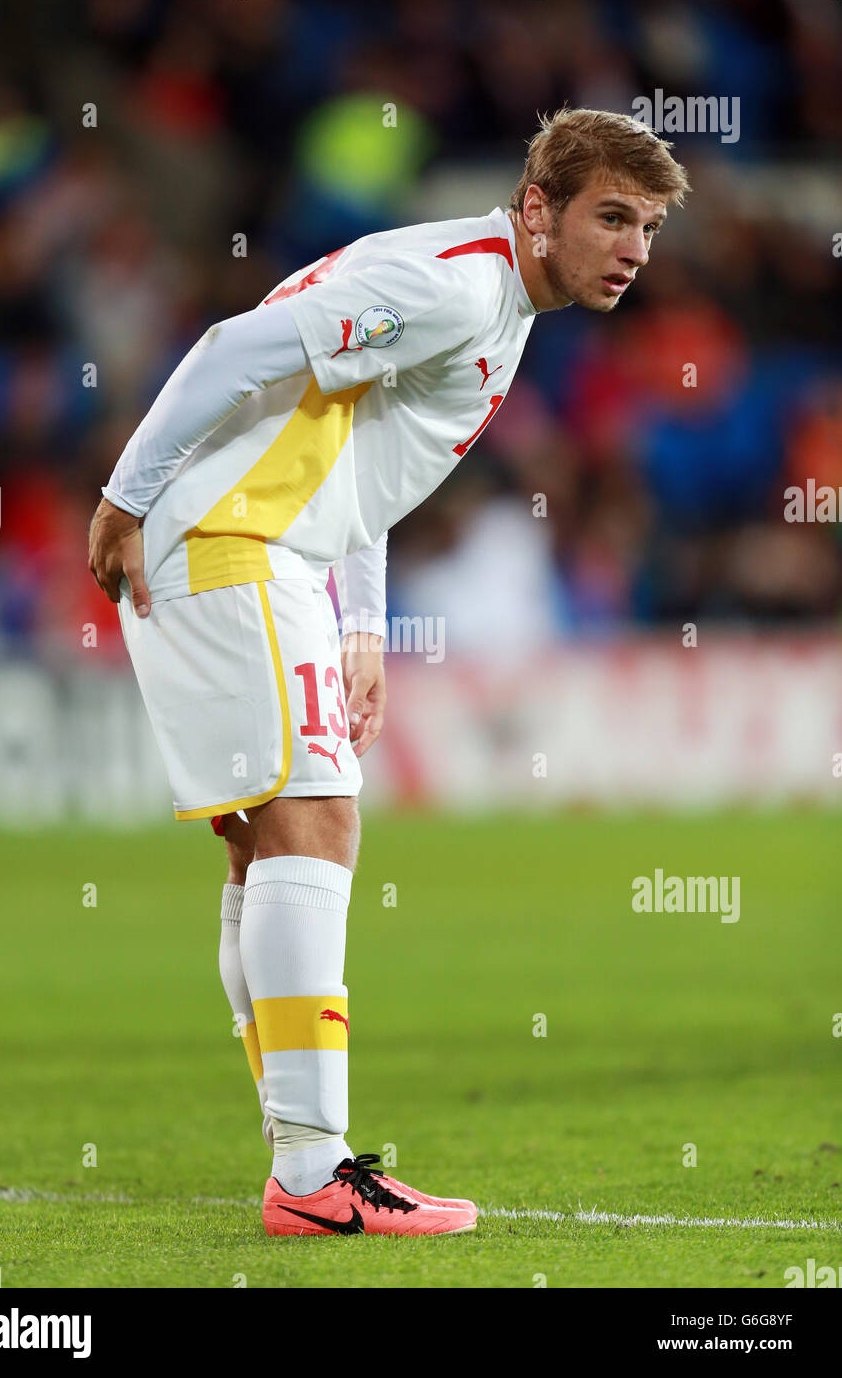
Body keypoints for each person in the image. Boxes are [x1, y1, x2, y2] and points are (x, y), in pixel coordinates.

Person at [88, 107, 689, 1237]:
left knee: (264, 842)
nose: (632, 250)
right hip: (232, 539)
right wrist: (126, 495)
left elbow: (358, 446)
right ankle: (312, 1174)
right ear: (537, 208)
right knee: (315, 822)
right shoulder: (458, 289)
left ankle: (302, 1158)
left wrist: (360, 623)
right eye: (612, 218)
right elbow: (229, 349)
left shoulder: (487, 288)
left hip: (259, 547)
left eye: (647, 228)